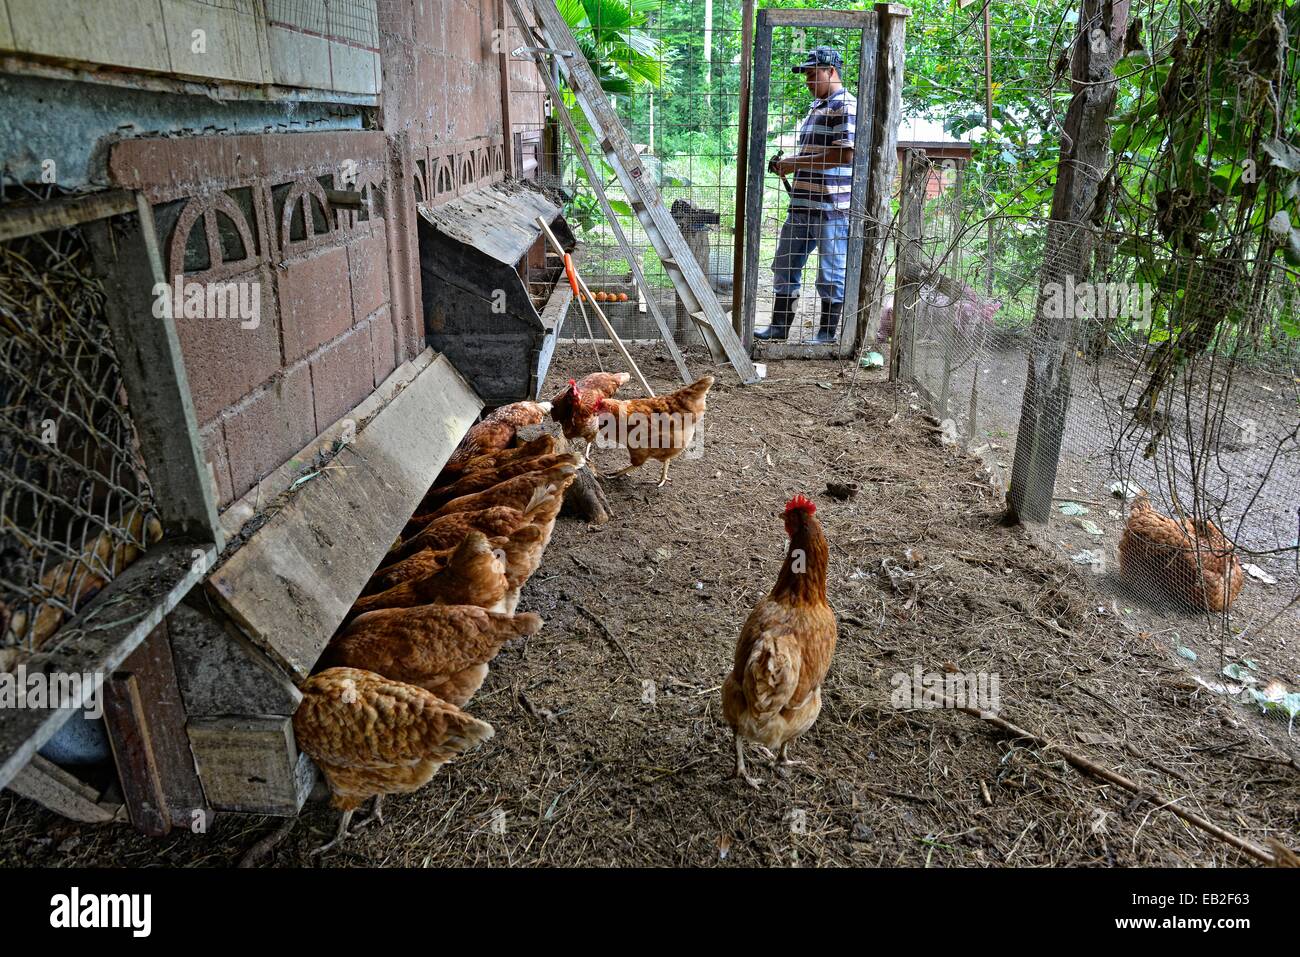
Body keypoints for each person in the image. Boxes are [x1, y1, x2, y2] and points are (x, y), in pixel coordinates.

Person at [756, 45, 856, 344]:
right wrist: (787, 165)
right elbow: (815, 153)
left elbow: (844, 156)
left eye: (813, 75)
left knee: (830, 270)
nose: (809, 82)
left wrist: (794, 163)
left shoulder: (845, 105)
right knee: (785, 263)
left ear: (831, 72)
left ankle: (826, 334)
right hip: (801, 203)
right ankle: (778, 328)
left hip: (831, 207)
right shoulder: (818, 107)